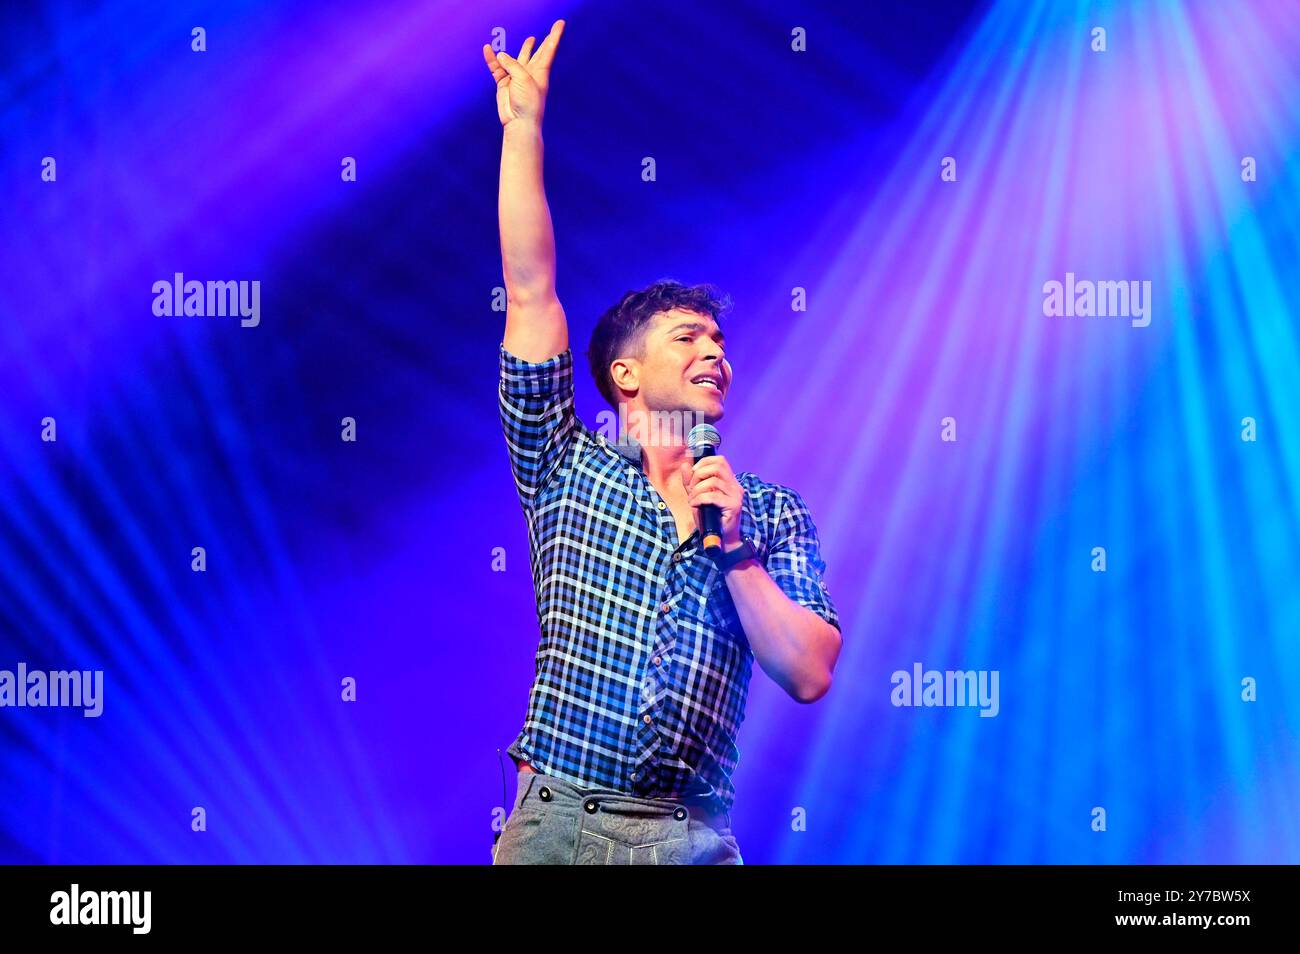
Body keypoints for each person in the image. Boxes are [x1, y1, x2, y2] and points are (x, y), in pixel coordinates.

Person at [482, 20, 842, 865]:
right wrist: (523, 130)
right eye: (687, 338)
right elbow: (530, 292)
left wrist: (739, 554)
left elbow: (810, 671)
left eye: (720, 343)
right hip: (558, 825)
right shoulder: (564, 464)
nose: (714, 352)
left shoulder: (767, 512)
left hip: (690, 836)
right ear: (626, 374)